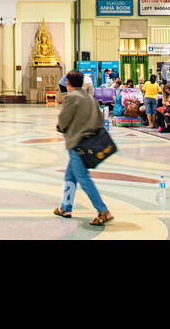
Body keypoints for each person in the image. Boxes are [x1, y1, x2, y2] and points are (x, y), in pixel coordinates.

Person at [53, 69, 113, 226]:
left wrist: (61, 127)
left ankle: (103, 211)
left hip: (78, 143)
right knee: (70, 176)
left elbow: (63, 122)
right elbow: (100, 119)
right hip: (91, 142)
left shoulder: (72, 97)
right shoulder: (90, 98)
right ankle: (65, 207)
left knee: (83, 178)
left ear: (67, 83)